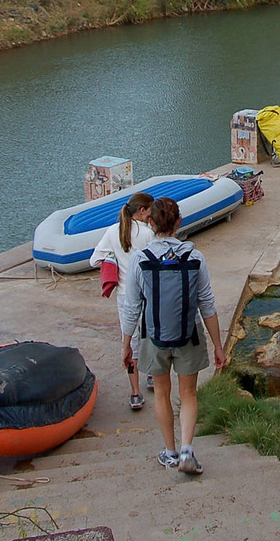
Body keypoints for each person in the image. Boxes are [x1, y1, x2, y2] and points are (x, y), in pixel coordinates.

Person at [117, 197, 227, 474]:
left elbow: (132, 308)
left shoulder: (140, 260)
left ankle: (169, 452)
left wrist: (127, 344)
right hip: (188, 336)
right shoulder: (195, 257)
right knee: (188, 393)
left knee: (162, 394)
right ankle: (188, 449)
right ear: (179, 222)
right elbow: (207, 305)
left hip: (153, 338)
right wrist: (218, 346)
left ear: (150, 222)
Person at [91, 191, 154, 410]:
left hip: (124, 295)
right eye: (149, 211)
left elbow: (94, 259)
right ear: (143, 210)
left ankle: (135, 393)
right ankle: (152, 376)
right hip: (146, 292)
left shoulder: (113, 231)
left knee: (130, 342)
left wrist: (113, 262)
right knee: (150, 336)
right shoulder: (147, 234)